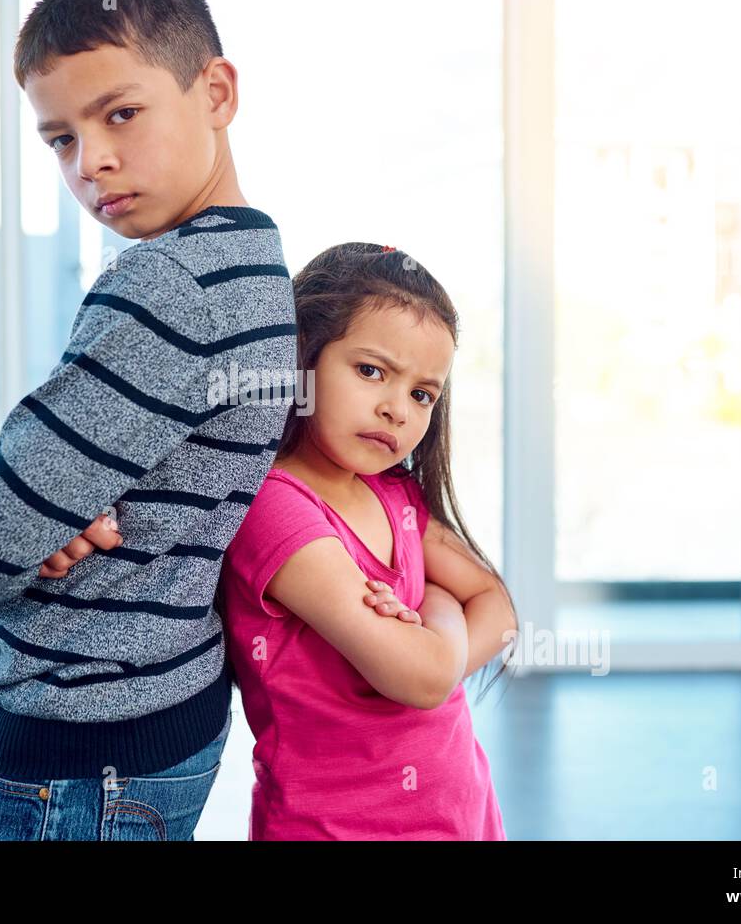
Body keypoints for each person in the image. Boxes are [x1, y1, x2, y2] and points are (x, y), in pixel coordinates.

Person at [0, 0, 297, 841]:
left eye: (120, 113)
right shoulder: (253, 264)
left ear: (216, 91)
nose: (91, 160)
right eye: (59, 138)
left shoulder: (168, 285)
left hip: (80, 752)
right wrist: (20, 491)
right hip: (157, 718)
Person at [219, 242, 518, 839]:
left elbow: (501, 612)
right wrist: (444, 614)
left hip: (461, 813)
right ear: (303, 359)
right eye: (371, 371)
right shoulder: (276, 508)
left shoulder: (394, 495)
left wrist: (433, 614)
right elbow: (424, 680)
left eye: (422, 394)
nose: (396, 410)